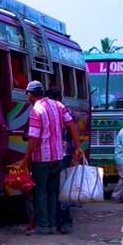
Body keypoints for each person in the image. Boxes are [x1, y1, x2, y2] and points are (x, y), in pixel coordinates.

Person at [21, 81, 83, 235]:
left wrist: (25, 160)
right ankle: (53, 225)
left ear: (30, 94)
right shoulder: (58, 106)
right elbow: (72, 126)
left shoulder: (36, 110)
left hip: (42, 159)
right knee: (53, 192)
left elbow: (34, 139)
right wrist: (78, 147)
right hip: (58, 157)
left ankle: (43, 226)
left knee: (40, 192)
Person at [46, 87, 81, 233]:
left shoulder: (62, 112)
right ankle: (60, 222)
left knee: (57, 190)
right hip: (60, 155)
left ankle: (62, 221)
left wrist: (75, 154)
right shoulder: (66, 112)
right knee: (59, 190)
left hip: (59, 156)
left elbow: (72, 134)